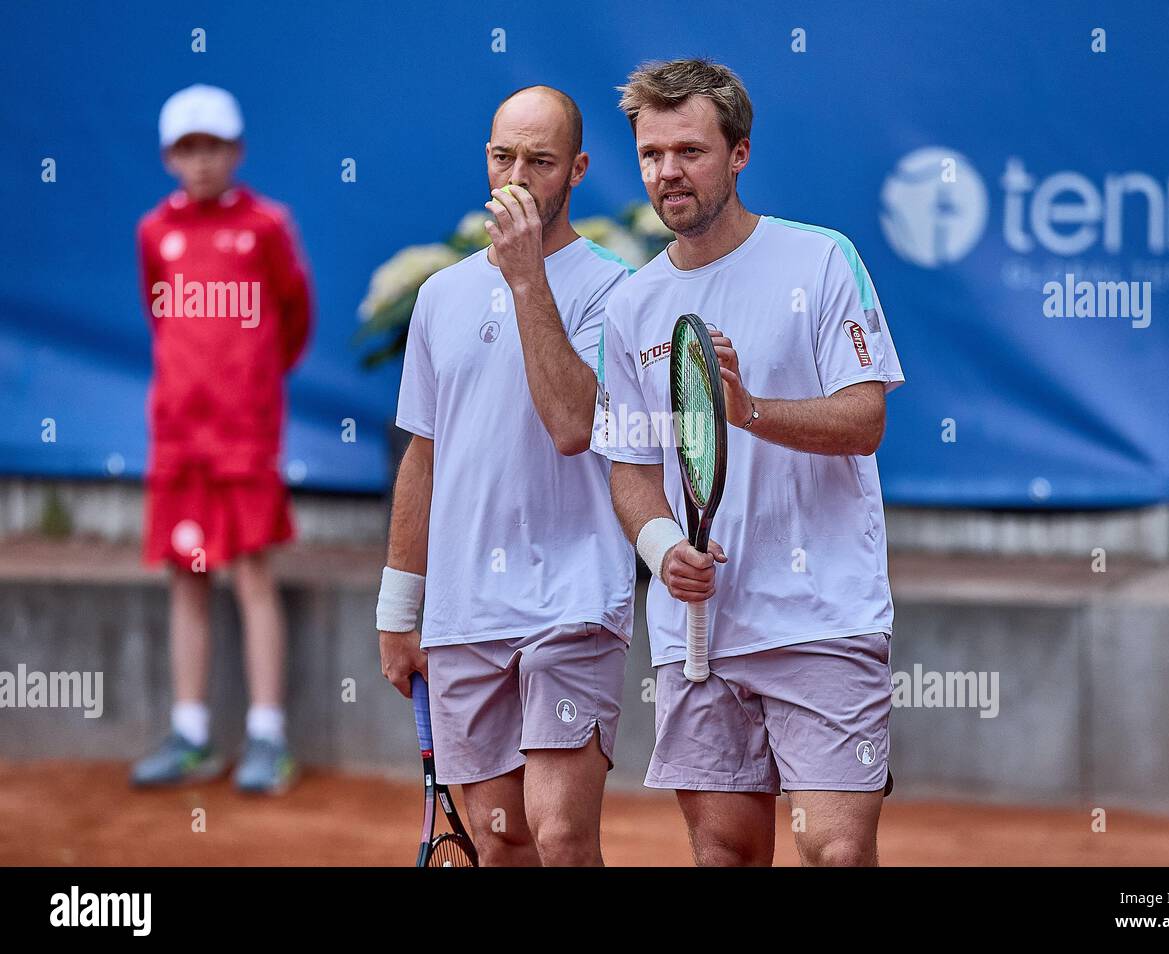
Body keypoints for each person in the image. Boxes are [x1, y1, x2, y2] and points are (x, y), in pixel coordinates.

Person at [595, 59, 904, 866]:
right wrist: (665, 552)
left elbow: (865, 418)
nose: (669, 172)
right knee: (725, 856)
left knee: (835, 853)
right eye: (652, 154)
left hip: (823, 617)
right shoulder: (629, 307)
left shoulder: (822, 261)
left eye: (690, 151)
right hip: (701, 633)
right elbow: (630, 468)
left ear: (738, 154)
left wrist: (750, 411)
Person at [376, 86, 635, 866]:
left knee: (559, 835)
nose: (517, 177)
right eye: (503, 157)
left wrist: (527, 279)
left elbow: (572, 425)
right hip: (464, 612)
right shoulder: (439, 297)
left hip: (574, 598)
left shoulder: (617, 292)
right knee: (504, 844)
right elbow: (424, 453)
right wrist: (399, 606)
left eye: (541, 161)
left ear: (579, 170)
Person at [130, 84, 312, 795]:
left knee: (251, 574)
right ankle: (191, 733)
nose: (201, 161)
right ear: (169, 158)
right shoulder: (154, 232)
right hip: (177, 437)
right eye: (187, 148)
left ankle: (268, 735)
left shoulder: (267, 226)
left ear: (235, 152)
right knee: (187, 576)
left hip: (244, 437)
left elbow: (293, 318)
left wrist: (250, 385)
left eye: (213, 147)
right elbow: (162, 318)